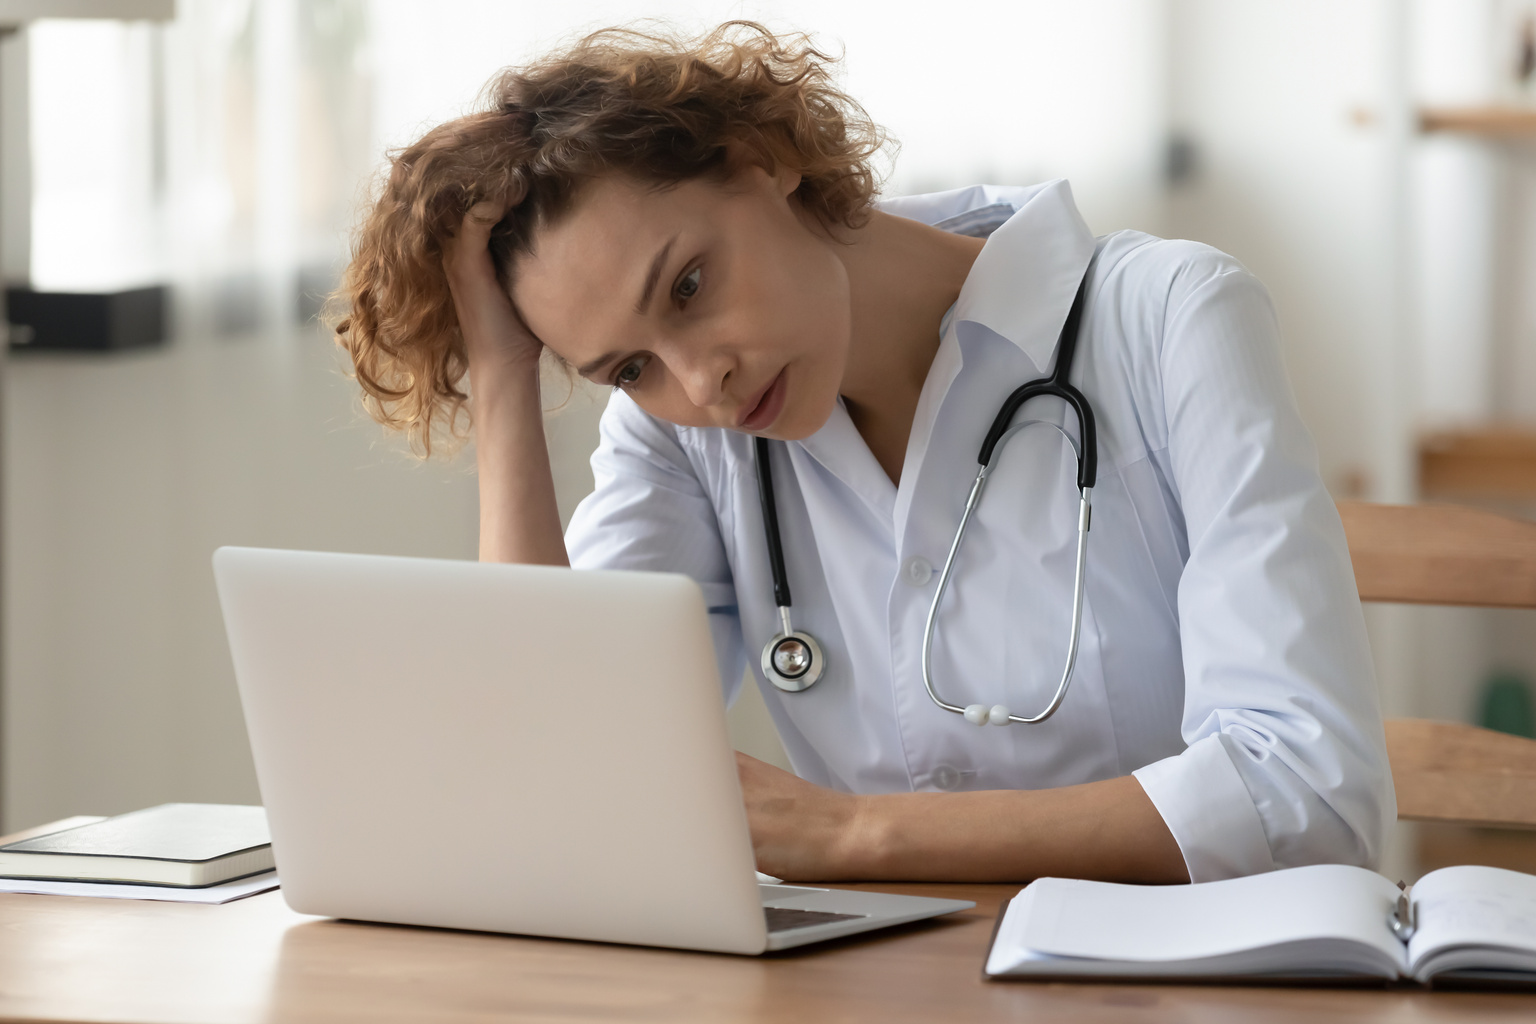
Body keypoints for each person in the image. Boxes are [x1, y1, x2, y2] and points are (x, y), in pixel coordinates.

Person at [333, 22, 1393, 885]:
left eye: (690, 286)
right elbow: (552, 777)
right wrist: (506, 378)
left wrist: (853, 837)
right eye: (627, 366)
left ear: (768, 161)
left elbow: (1308, 793)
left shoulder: (1167, 321)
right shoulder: (682, 432)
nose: (700, 380)